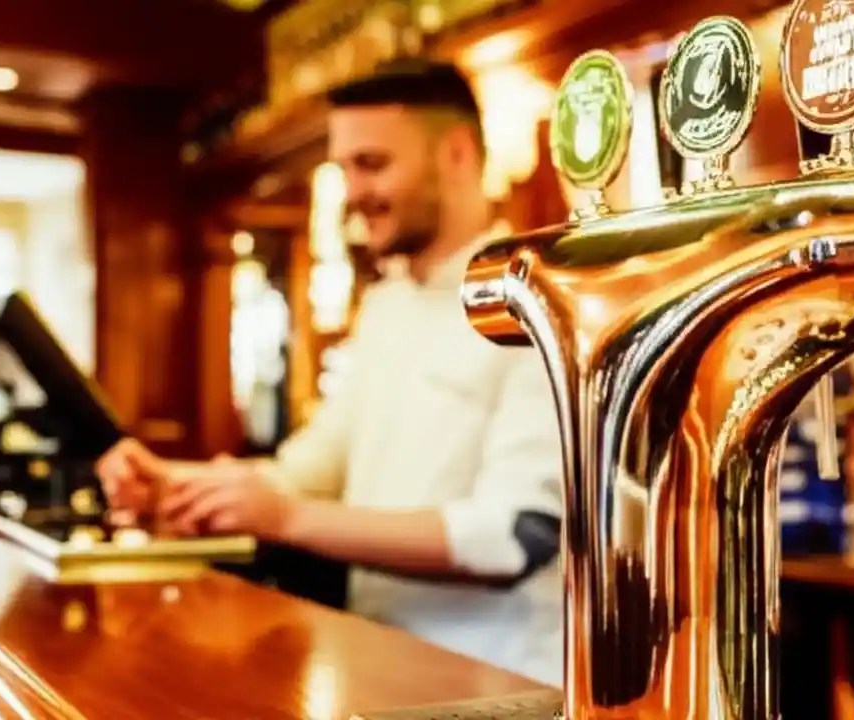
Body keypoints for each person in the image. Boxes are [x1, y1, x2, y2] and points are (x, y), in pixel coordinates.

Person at [95, 60, 565, 686]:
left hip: (499, 684)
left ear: (456, 154)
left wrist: (286, 520)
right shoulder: (386, 304)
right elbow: (309, 469)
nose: (351, 192)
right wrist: (178, 485)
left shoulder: (537, 297)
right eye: (343, 168)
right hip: (377, 665)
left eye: (372, 164)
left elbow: (515, 536)